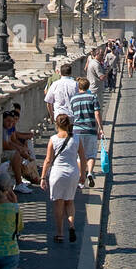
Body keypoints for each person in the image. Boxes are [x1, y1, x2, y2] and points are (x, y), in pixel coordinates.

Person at [40, 112, 87, 242]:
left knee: (58, 203)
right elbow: (83, 158)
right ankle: (71, 225)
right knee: (70, 202)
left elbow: (48, 160)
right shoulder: (76, 139)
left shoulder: (53, 139)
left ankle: (60, 233)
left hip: (57, 174)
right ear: (69, 125)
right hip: (72, 173)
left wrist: (43, 177)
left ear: (57, 125)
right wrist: (83, 175)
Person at [71, 75, 103, 188]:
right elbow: (97, 113)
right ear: (88, 86)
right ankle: (89, 172)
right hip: (90, 130)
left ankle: (81, 178)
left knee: (80, 156)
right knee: (91, 154)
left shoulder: (73, 98)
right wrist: (100, 129)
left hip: (77, 130)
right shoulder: (93, 97)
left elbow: (72, 115)